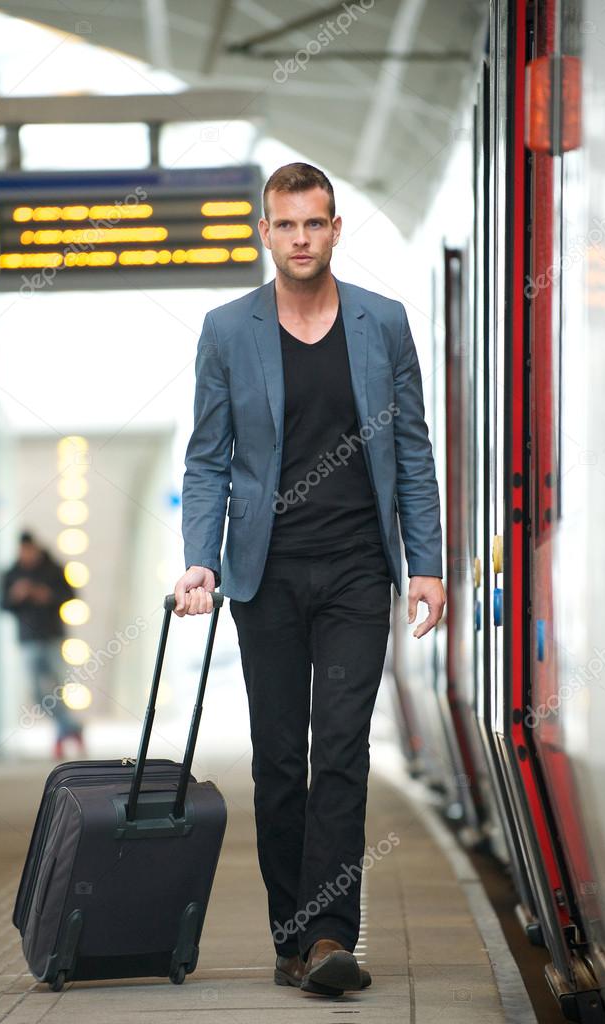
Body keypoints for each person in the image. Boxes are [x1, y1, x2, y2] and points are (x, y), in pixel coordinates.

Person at [174, 162, 446, 997]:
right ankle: (291, 936)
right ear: (267, 233)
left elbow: (411, 451)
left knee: (341, 751)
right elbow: (208, 460)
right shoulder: (226, 330)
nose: (301, 239)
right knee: (277, 762)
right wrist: (200, 559)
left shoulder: (383, 323)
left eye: (315, 224)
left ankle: (332, 935)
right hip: (266, 577)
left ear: (335, 230)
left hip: (360, 571)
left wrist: (427, 565)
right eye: (286, 225)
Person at [0, 530, 86, 760]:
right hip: (27, 640)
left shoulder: (53, 568)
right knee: (38, 692)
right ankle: (71, 728)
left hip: (52, 636)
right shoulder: (12, 573)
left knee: (57, 688)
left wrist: (46, 595)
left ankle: (61, 734)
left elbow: (71, 594)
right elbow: (2, 604)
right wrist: (16, 595)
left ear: (35, 548)